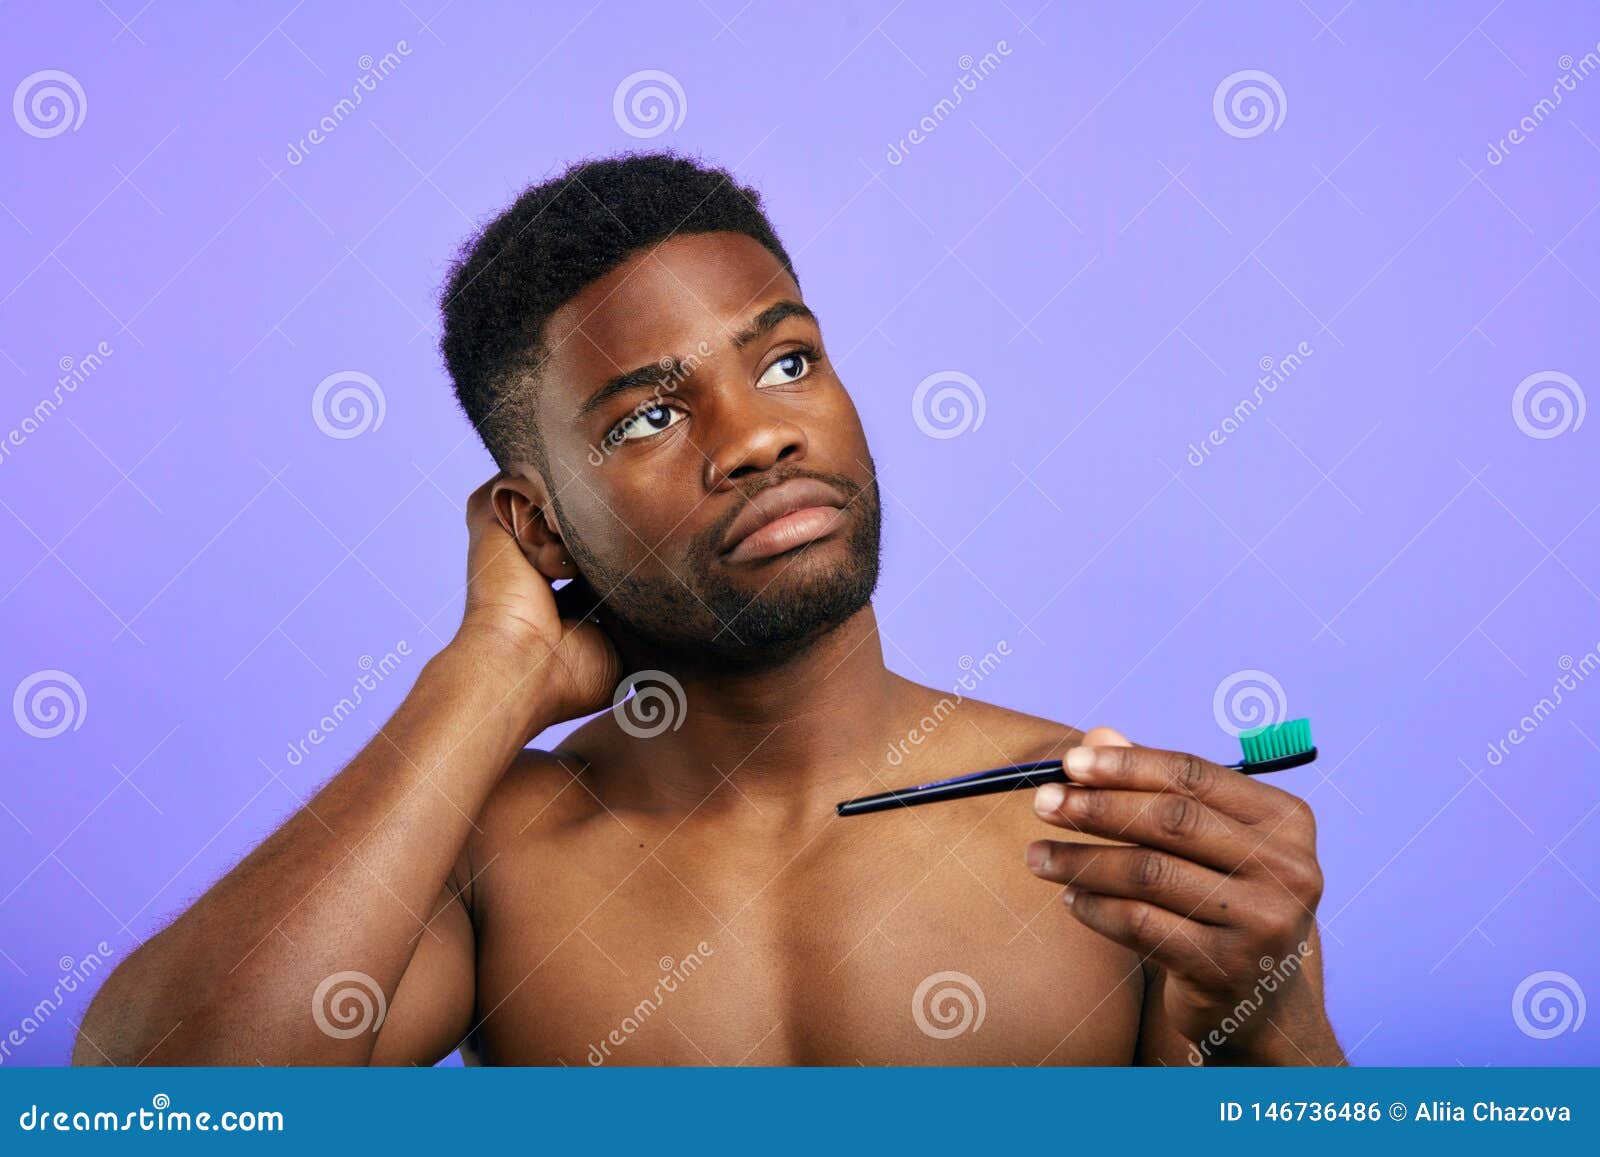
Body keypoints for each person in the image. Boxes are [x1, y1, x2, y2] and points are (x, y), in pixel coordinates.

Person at [75, 153, 1342, 1066]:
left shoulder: (1112, 845)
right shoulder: (486, 861)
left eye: (787, 360)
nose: (758, 437)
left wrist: (1275, 1028)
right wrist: (488, 671)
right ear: (538, 523)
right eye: (646, 416)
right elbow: (155, 1106)